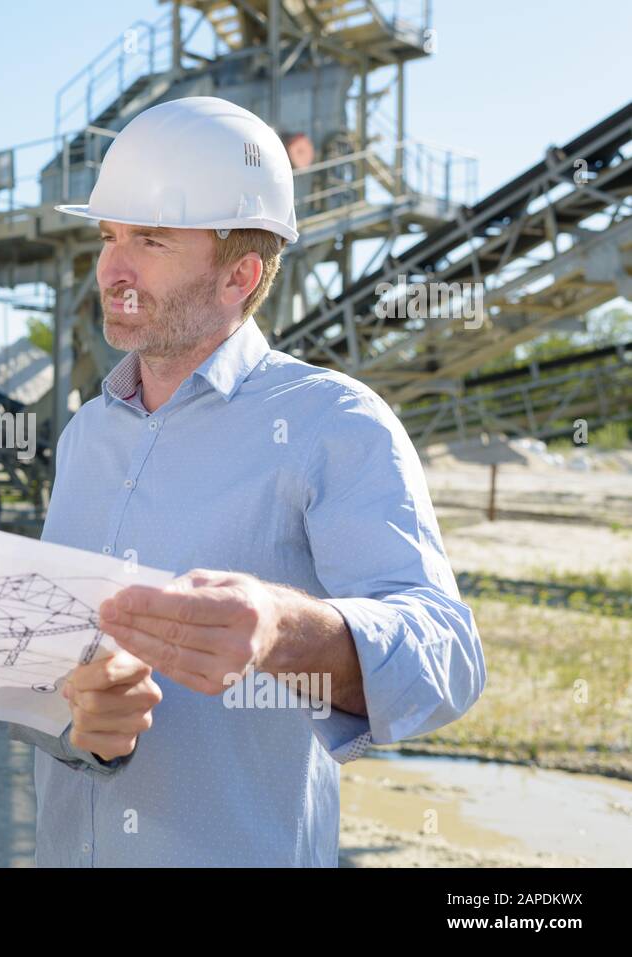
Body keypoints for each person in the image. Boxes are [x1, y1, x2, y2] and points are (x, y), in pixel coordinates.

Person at [31, 96, 487, 866]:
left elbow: (449, 656)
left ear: (240, 273)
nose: (112, 266)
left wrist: (285, 629)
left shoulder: (333, 422)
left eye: (151, 237)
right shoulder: (85, 436)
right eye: (109, 235)